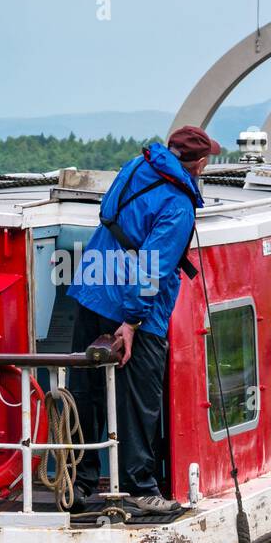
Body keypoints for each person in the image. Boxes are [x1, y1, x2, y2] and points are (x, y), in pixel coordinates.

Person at [66, 126, 215, 515]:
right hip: (134, 309)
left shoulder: (136, 166)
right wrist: (131, 322)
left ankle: (78, 484)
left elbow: (112, 217)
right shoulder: (179, 205)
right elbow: (153, 268)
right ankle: (140, 487)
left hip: (94, 284)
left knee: (85, 392)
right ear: (199, 163)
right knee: (139, 400)